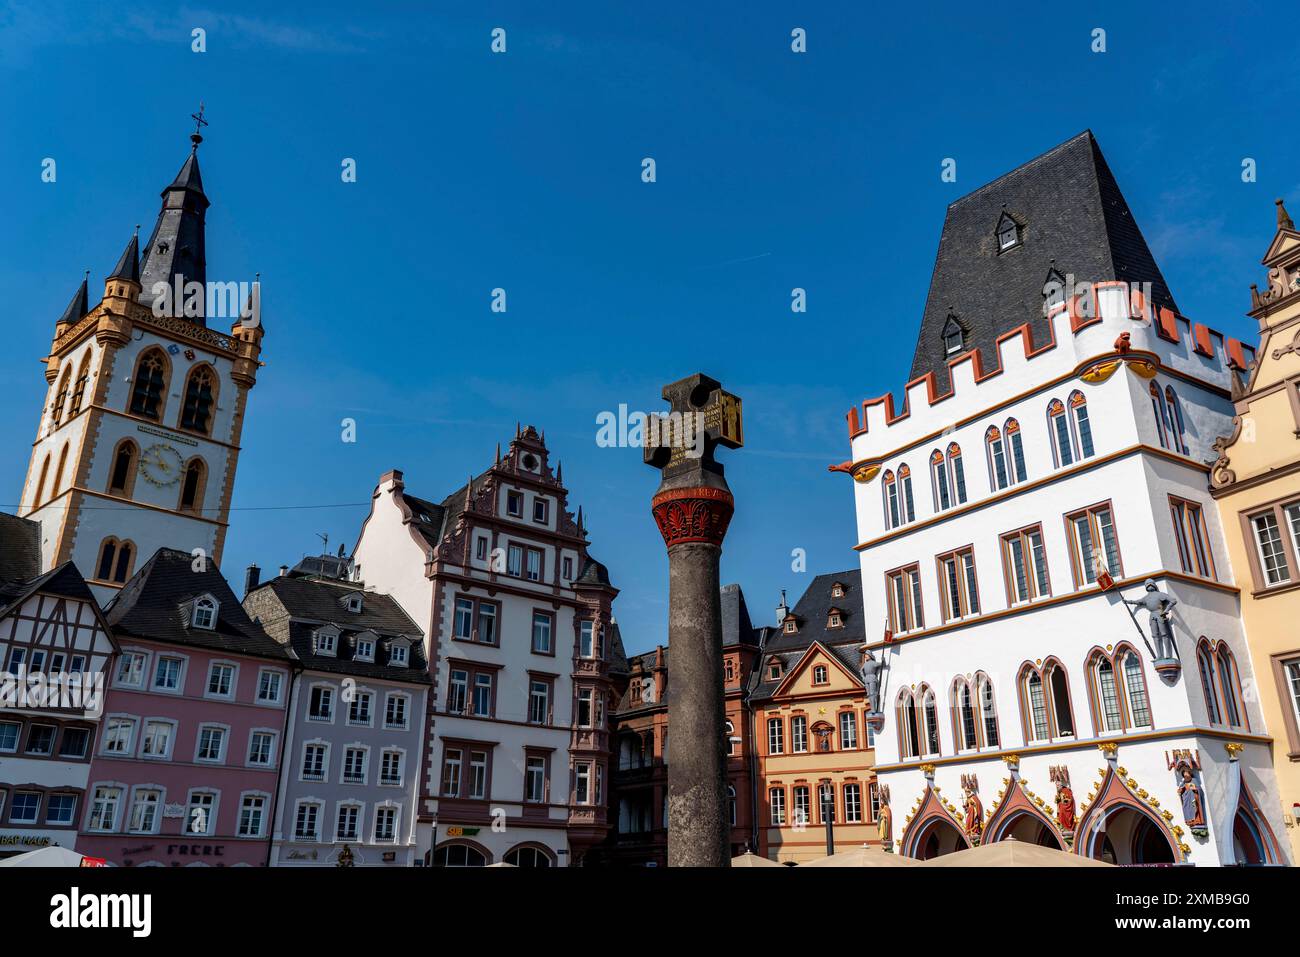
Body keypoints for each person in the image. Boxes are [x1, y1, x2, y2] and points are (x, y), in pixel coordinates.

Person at [1123, 579, 1179, 660]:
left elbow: (1173, 600)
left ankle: (1168, 654)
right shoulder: (1147, 597)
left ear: (1154, 585)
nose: (1149, 585)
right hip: (1152, 615)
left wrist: (1166, 610)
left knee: (1164, 634)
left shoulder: (1160, 594)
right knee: (1155, 635)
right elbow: (1138, 602)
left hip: (1160, 613)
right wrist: (1128, 601)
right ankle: (1159, 655)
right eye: (1147, 584)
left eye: (1150, 583)